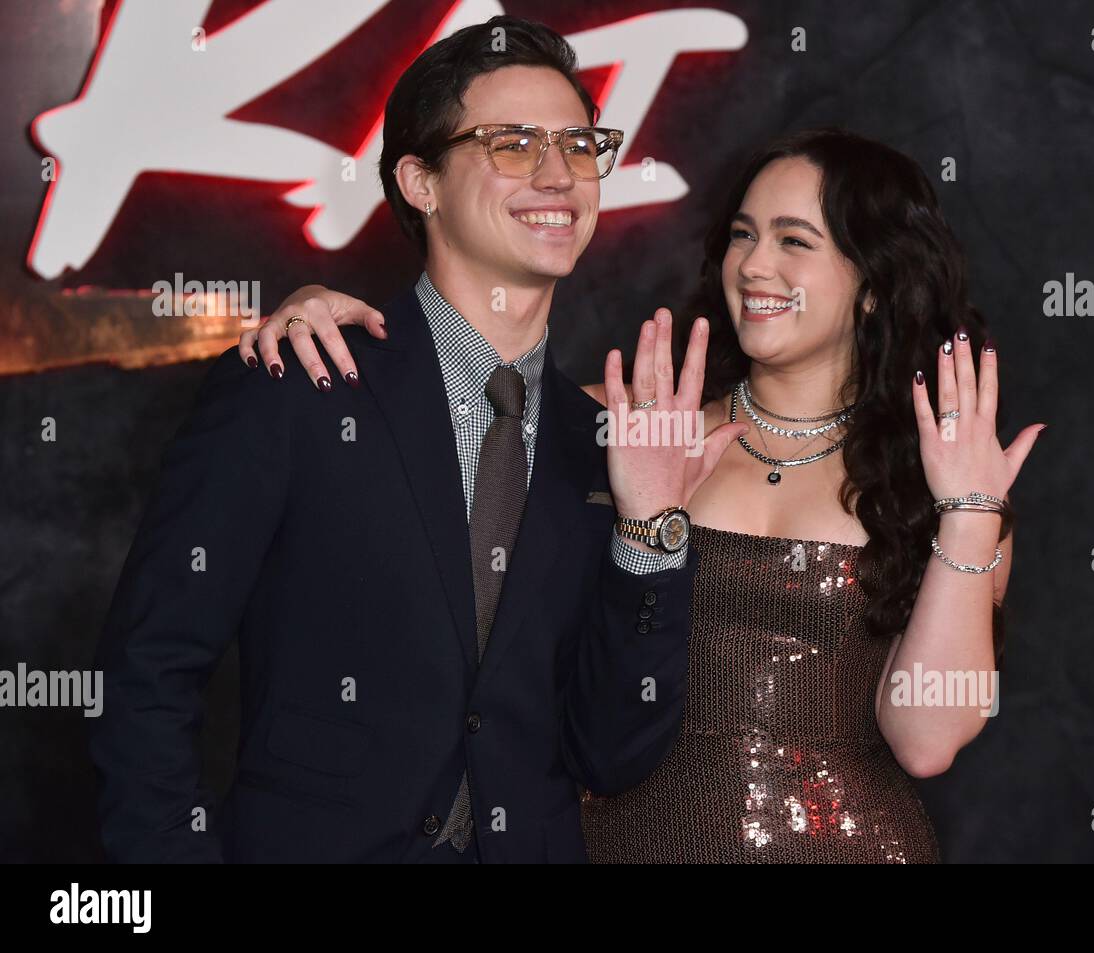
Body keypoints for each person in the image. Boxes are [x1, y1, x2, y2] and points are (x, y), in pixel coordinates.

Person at [247, 127, 1044, 862]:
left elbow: (927, 740)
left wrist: (970, 516)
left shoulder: (945, 484)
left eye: (793, 241)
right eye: (742, 234)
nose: (754, 266)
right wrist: (316, 319)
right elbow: (428, 422)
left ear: (875, 284)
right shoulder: (616, 424)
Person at [89, 15, 744, 864]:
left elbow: (610, 754)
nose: (558, 175)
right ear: (419, 180)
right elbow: (146, 670)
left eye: (581, 146)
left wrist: (649, 532)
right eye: (513, 143)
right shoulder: (300, 380)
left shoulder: (604, 448)